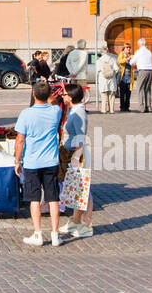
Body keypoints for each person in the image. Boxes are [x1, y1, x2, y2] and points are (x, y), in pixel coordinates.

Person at [15, 80, 65, 246]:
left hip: (32, 162)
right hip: (51, 161)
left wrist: (17, 160)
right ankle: (55, 234)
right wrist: (50, 96)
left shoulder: (26, 114)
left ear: (33, 95)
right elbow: (54, 102)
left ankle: (38, 234)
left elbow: (20, 139)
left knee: (34, 198)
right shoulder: (55, 112)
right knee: (53, 198)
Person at [60, 83, 94, 237]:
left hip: (77, 154)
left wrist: (74, 156)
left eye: (65, 94)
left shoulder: (79, 113)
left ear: (71, 97)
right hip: (73, 153)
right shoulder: (74, 110)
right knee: (76, 188)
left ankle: (87, 223)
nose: (63, 96)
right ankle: (75, 220)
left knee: (83, 189)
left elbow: (80, 137)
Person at [132, 38, 152, 113]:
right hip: (150, 71)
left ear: (139, 44)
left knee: (140, 88)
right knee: (147, 89)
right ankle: (148, 106)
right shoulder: (149, 52)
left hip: (142, 71)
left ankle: (141, 107)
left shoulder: (138, 52)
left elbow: (132, 62)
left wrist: (130, 60)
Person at [116, 47, 132, 112]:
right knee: (122, 94)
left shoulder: (131, 55)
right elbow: (119, 62)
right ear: (124, 49)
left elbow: (134, 64)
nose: (128, 49)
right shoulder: (121, 55)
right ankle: (122, 107)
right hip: (122, 78)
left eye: (129, 48)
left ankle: (127, 107)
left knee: (128, 94)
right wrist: (127, 59)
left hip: (129, 78)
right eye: (127, 48)